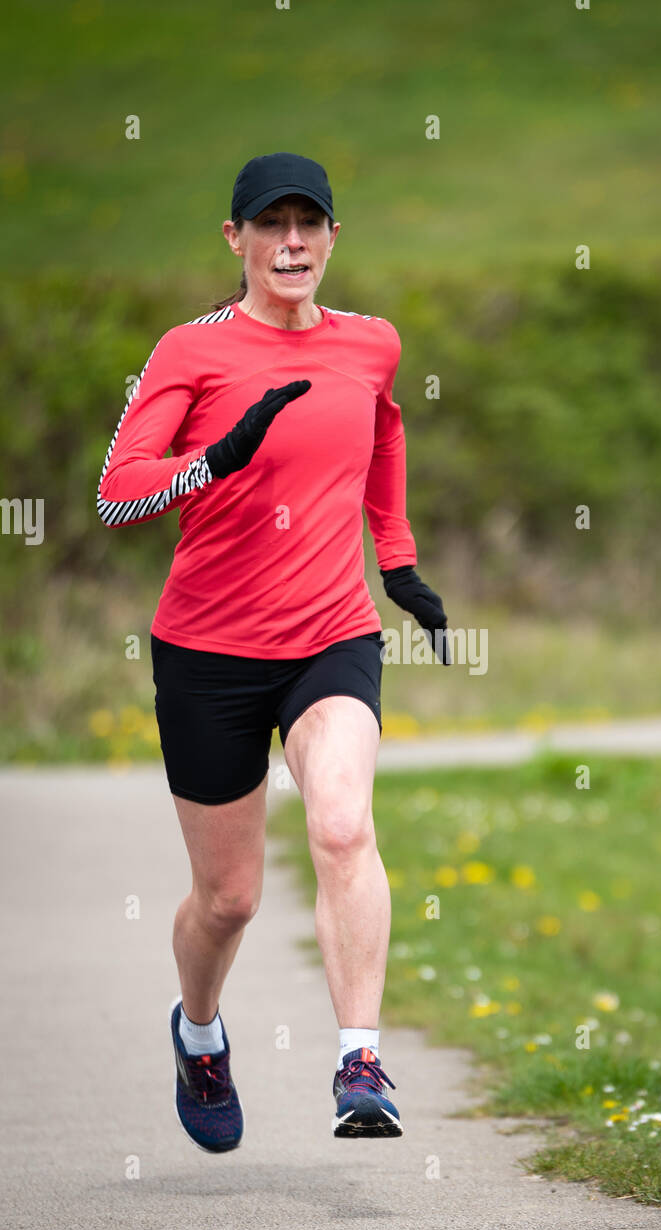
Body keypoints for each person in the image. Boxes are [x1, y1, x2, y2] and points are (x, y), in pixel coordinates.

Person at [97, 152, 450, 1149]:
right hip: (207, 650)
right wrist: (217, 459)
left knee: (342, 826)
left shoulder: (370, 344)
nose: (291, 241)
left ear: (334, 236)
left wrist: (401, 561)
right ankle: (199, 1032)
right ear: (236, 240)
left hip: (330, 633)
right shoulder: (188, 352)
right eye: (270, 224)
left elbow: (384, 439)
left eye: (309, 223)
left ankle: (359, 1059)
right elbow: (117, 490)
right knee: (230, 897)